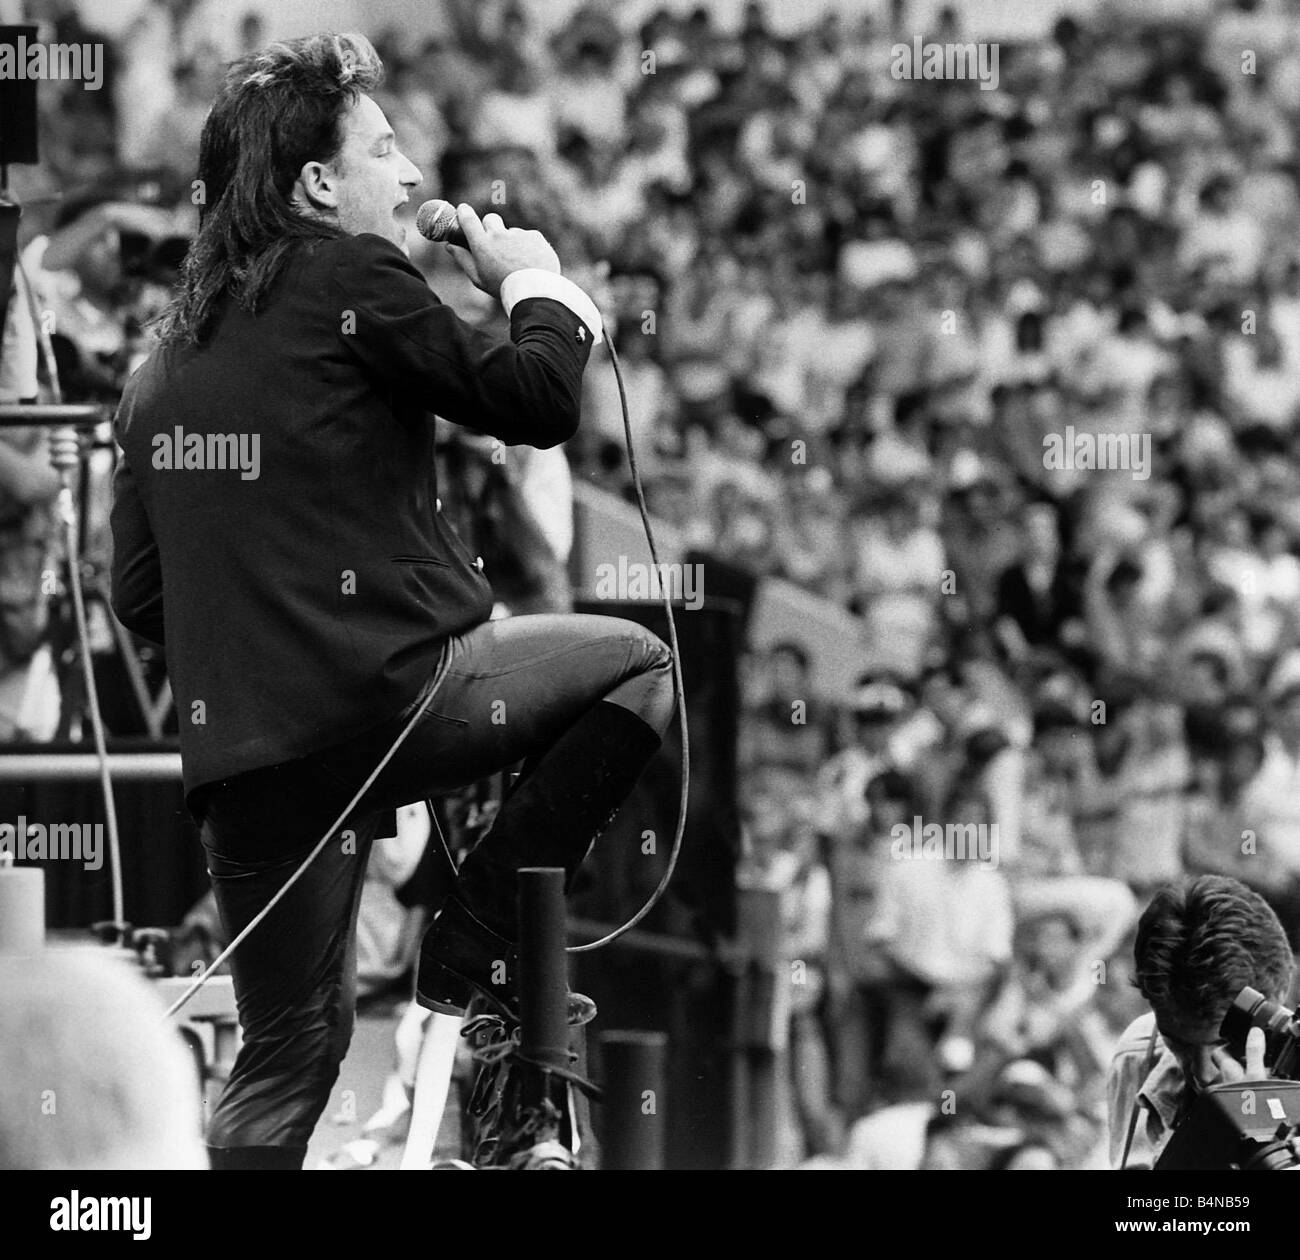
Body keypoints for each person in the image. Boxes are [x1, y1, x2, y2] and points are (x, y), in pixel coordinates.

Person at [109, 33, 675, 1170]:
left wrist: (265, 677)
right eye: (383, 149)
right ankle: (464, 946)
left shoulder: (158, 362)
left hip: (250, 761)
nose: (412, 175)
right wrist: (535, 283)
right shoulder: (344, 275)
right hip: (393, 702)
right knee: (639, 667)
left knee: (282, 1067)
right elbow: (531, 397)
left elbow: (136, 595)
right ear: (317, 185)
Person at [1107, 875, 1291, 1169]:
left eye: (1224, 1043)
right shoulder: (1138, 1055)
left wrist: (1263, 1136)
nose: (1204, 1073)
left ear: (1277, 1004)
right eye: (1179, 1044)